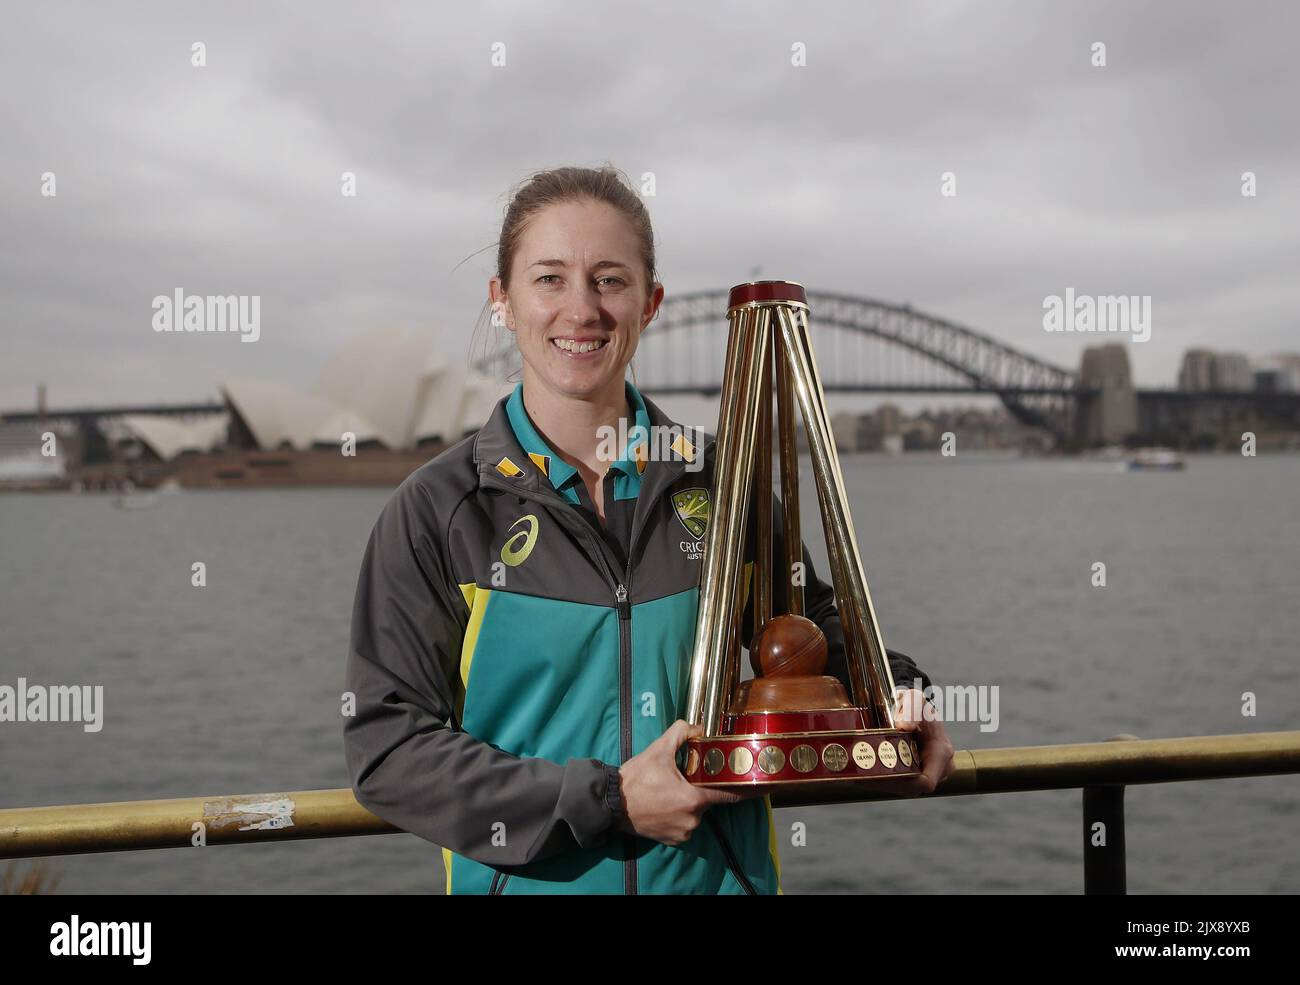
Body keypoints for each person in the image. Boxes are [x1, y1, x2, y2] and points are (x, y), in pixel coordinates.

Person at [343, 165, 955, 895]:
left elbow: (810, 631)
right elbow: (388, 750)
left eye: (609, 280)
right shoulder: (440, 511)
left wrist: (901, 697)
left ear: (651, 301)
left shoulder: (722, 484)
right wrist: (609, 800)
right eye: (549, 279)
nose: (582, 310)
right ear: (501, 301)